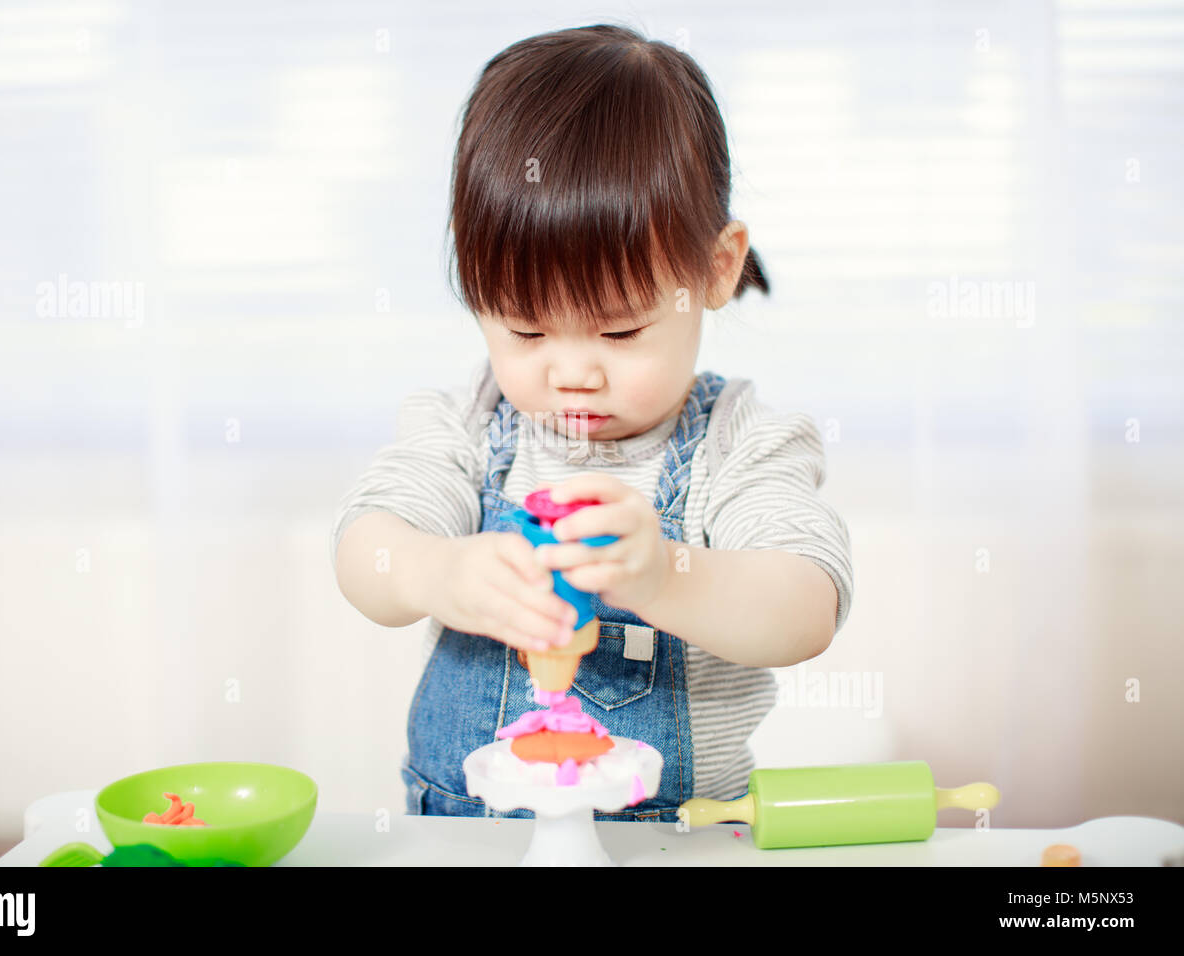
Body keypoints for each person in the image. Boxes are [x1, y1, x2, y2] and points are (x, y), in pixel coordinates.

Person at [331, 23, 853, 821]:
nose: (572, 369)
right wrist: (434, 573)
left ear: (715, 270)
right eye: (527, 331)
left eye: (619, 332)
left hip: (671, 840)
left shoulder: (739, 443)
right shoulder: (470, 426)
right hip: (472, 836)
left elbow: (805, 607)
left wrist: (661, 575)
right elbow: (364, 550)